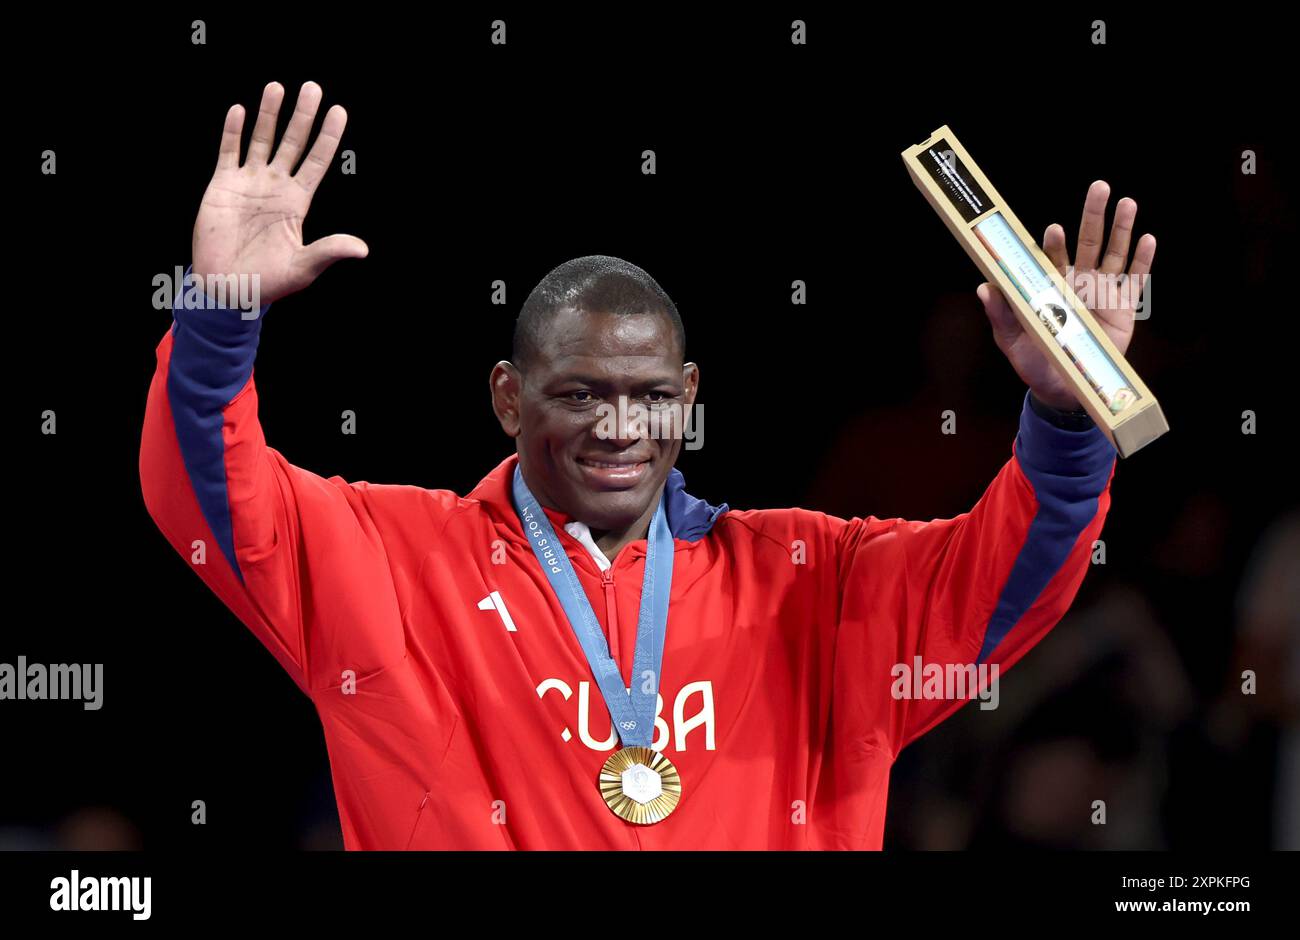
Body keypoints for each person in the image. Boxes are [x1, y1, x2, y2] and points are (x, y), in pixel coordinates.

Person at [140, 81, 1157, 849]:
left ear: (689, 394)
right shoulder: (397, 564)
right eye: (579, 393)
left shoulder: (809, 583)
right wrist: (220, 315)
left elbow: (1001, 581)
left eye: (649, 395)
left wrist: (1064, 416)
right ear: (508, 396)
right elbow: (213, 500)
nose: (619, 426)